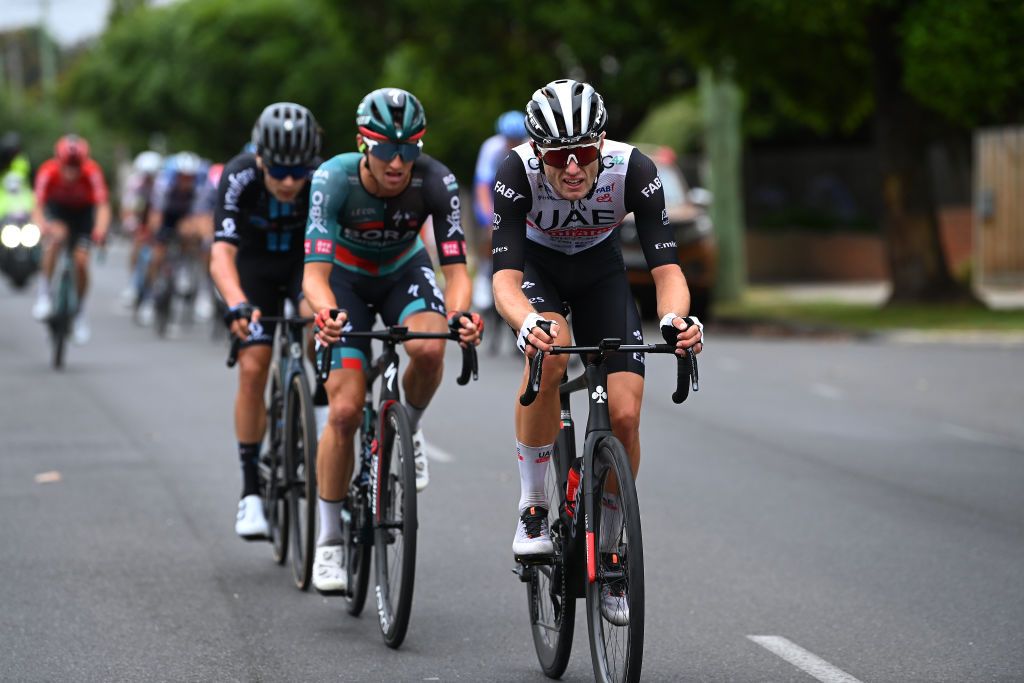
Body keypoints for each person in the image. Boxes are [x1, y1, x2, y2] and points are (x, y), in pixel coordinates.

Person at [490, 79, 704, 620]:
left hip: (600, 272)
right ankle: (533, 505)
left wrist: (676, 320)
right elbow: (504, 281)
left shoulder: (634, 170)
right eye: (556, 156)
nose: (571, 168)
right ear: (536, 151)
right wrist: (526, 322)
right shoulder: (515, 171)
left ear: (601, 143)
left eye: (583, 154)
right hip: (538, 269)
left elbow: (667, 271)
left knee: (625, 415)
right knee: (552, 350)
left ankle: (610, 546)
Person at [304, 87, 482, 594]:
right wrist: (326, 312)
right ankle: (329, 539)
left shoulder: (436, 179)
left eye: (409, 148)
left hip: (404, 270)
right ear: (364, 144)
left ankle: (411, 429)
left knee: (429, 346)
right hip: (345, 279)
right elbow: (314, 274)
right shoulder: (333, 178)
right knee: (343, 412)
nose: (398, 162)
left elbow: (456, 270)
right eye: (386, 149)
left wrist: (460, 314)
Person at [209, 102, 323, 539]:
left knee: (319, 321)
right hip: (253, 271)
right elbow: (221, 254)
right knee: (253, 365)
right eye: (278, 171)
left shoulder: (322, 178)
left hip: (302, 268)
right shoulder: (239, 175)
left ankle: (320, 404)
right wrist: (237, 303)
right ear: (260, 158)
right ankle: (251, 493)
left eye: (299, 171)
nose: (290, 182)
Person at [30, 135, 111, 344]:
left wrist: (100, 230)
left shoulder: (92, 172)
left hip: (83, 214)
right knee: (54, 241)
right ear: (58, 162)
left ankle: (80, 312)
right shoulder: (47, 171)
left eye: (76, 167)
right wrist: (42, 226)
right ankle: (44, 294)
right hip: (58, 211)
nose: (71, 172)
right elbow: (37, 204)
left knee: (82, 261)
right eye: (67, 166)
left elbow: (102, 205)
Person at [137, 151, 208, 325]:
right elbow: (156, 214)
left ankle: (184, 269)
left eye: (189, 177)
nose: (185, 180)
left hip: (185, 218)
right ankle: (148, 298)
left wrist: (200, 233)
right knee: (156, 255)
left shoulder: (199, 189)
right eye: (182, 176)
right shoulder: (164, 186)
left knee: (189, 232)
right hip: (166, 218)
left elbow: (199, 216)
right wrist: (155, 234)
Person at [472, 111, 528, 314]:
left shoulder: (530, 146)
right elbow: (482, 186)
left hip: (519, 194)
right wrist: (490, 219)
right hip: (492, 194)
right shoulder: (491, 147)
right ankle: (483, 273)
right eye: (509, 140)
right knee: (491, 233)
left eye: (517, 140)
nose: (513, 144)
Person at [119, 150, 162, 307]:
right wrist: (130, 222)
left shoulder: (162, 185)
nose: (148, 178)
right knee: (136, 244)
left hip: (157, 212)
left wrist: (154, 229)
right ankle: (132, 284)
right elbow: (128, 206)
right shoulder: (135, 182)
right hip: (141, 212)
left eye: (151, 175)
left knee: (157, 250)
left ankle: (153, 288)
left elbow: (159, 211)